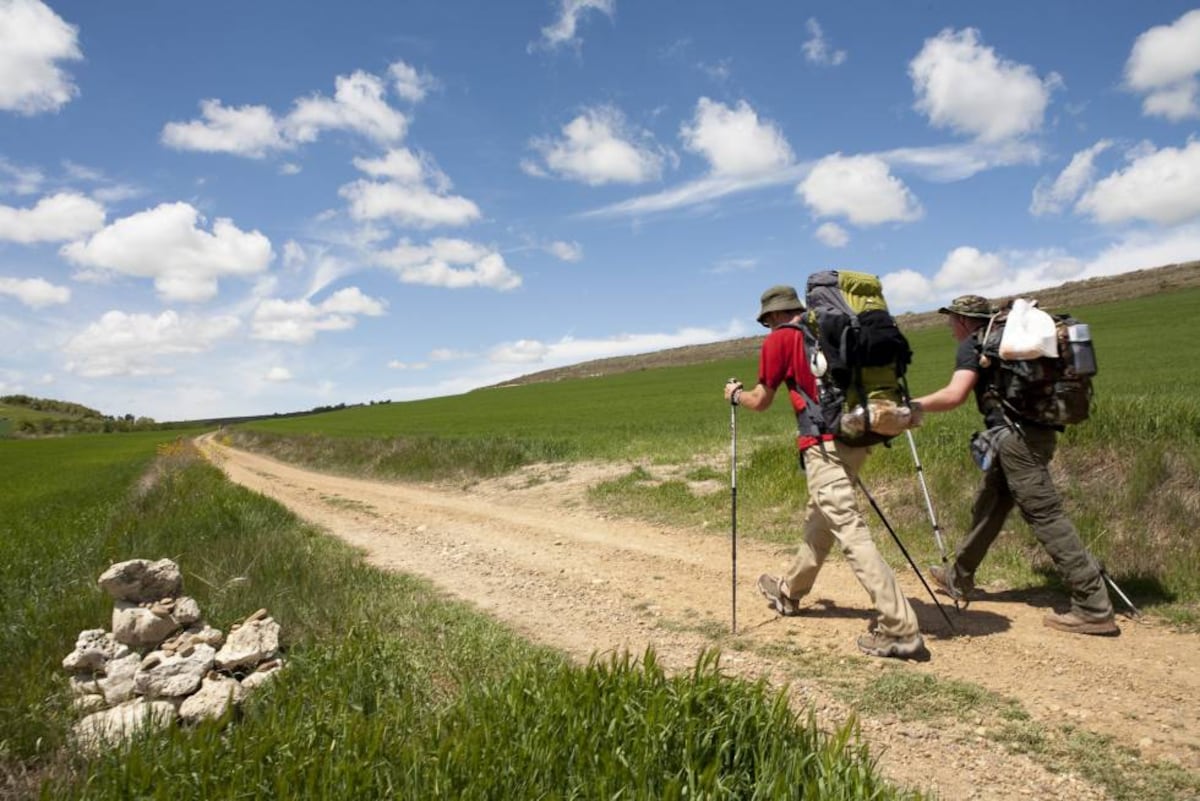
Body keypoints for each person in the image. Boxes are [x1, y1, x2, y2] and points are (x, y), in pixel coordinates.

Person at [723, 285, 925, 659]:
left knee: (847, 527)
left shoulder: (781, 340)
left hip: (823, 444)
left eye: (768, 321)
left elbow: (761, 401)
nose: (768, 327)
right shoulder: (830, 329)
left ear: (774, 316)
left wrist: (735, 395)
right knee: (821, 518)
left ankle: (901, 629)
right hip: (857, 433)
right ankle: (789, 591)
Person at [912, 295, 1118, 636]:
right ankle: (958, 577)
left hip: (1015, 442)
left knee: (1046, 516)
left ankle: (1093, 605)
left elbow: (955, 395)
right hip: (1036, 433)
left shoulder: (975, 345)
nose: (949, 327)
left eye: (951, 321)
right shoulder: (1009, 339)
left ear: (964, 320)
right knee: (990, 505)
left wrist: (911, 405)